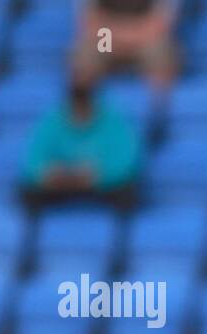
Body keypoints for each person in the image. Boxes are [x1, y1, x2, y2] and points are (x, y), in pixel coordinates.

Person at [20, 76, 142, 209]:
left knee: (128, 193)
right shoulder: (52, 120)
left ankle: (120, 228)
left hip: (102, 187)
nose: (79, 111)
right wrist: (51, 174)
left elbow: (127, 162)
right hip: (60, 186)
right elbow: (33, 160)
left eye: (84, 104)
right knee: (28, 192)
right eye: (76, 104)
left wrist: (99, 175)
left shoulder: (113, 121)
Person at [72, 0, 181, 92]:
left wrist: (125, 37)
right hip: (106, 40)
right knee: (85, 57)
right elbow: (90, 22)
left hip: (145, 42)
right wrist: (123, 37)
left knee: (161, 56)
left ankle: (156, 112)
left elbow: (161, 23)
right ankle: (86, 112)